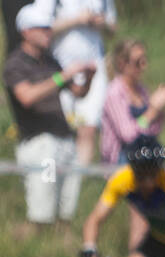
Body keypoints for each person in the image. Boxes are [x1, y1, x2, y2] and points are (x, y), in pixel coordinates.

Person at [3, 3, 95, 225]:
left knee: (66, 210)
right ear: (26, 32)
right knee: (42, 211)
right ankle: (39, 252)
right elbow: (26, 97)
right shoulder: (15, 63)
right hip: (40, 144)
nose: (48, 32)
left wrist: (89, 76)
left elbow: (78, 92)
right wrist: (61, 77)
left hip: (64, 139)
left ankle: (61, 248)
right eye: (42, 28)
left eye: (49, 27)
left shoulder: (50, 61)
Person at [80, 134, 165, 257]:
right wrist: (89, 247)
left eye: (152, 174)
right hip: (157, 239)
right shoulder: (122, 180)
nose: (147, 182)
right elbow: (95, 219)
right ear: (132, 169)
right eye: (141, 175)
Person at [44, 0, 115, 188]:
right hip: (59, 65)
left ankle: (78, 182)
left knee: (88, 127)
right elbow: (41, 27)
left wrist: (101, 22)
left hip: (94, 66)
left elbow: (112, 28)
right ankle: (54, 179)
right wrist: (76, 20)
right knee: (61, 127)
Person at [99, 37, 165, 163]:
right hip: (121, 161)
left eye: (144, 60)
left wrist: (159, 111)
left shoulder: (142, 91)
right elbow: (128, 135)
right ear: (122, 64)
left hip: (143, 159)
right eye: (138, 62)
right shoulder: (114, 93)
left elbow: (154, 130)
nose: (143, 66)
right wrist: (152, 112)